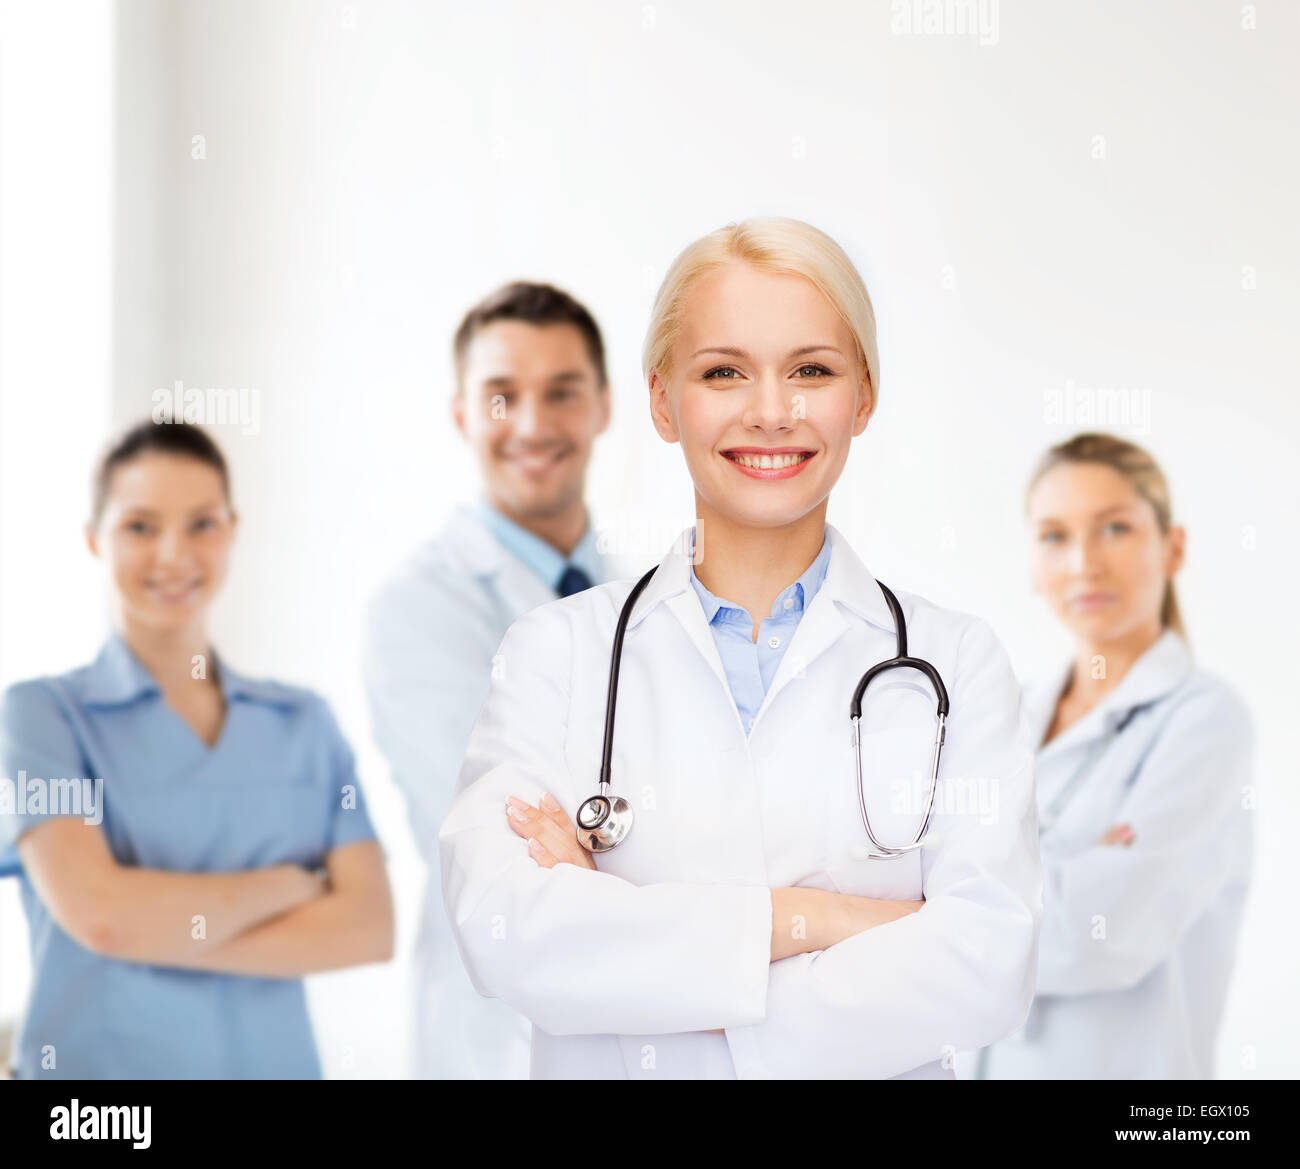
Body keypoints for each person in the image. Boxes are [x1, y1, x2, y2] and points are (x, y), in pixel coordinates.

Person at [439, 217, 1042, 1079]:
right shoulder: (556, 652)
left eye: (811, 371)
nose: (771, 411)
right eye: (723, 371)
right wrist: (821, 919)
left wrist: (631, 950)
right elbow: (503, 929)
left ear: (862, 396)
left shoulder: (957, 664)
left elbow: (985, 964)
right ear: (661, 400)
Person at [0, 421, 393, 1079]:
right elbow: (101, 919)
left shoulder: (304, 721)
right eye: (140, 526)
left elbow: (369, 927)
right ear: (95, 538)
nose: (174, 554)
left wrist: (153, 924)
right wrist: (286, 886)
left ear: (233, 531)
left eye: (202, 523)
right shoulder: (42, 715)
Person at [363, 281, 615, 1078]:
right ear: (462, 414)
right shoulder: (418, 605)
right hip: (497, 1039)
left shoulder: (644, 592)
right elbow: (503, 830)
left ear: (605, 405)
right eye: (502, 396)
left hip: (641, 1020)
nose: (533, 424)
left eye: (562, 392)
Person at [969, 433, 1254, 1079]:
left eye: (1115, 528)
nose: (1083, 563)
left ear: (1172, 546)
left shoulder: (1205, 722)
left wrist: (952, 902)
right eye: (1053, 535)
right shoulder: (1004, 715)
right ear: (1032, 566)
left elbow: (1095, 933)